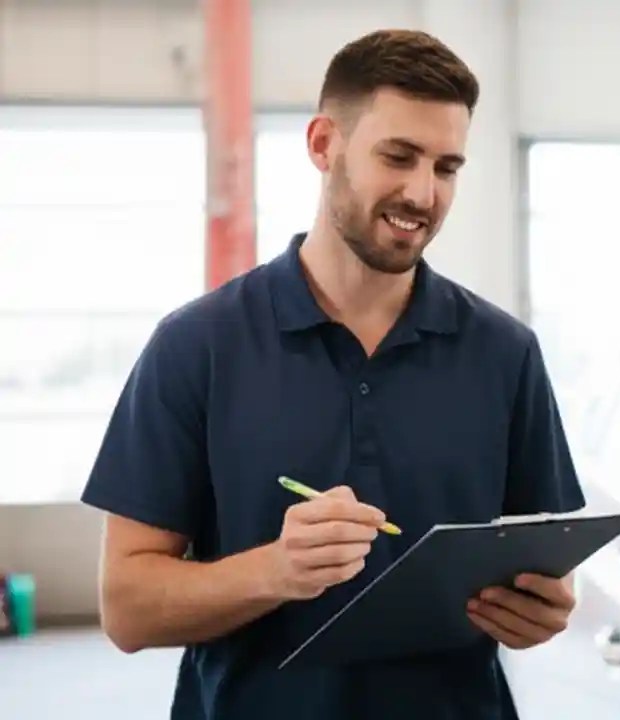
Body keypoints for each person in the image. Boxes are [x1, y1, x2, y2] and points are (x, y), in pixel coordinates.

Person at [80, 28, 585, 720]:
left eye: (446, 167)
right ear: (323, 145)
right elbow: (127, 610)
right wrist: (275, 571)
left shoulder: (505, 354)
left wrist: (542, 611)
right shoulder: (196, 346)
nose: (423, 193)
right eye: (399, 156)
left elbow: (539, 572)